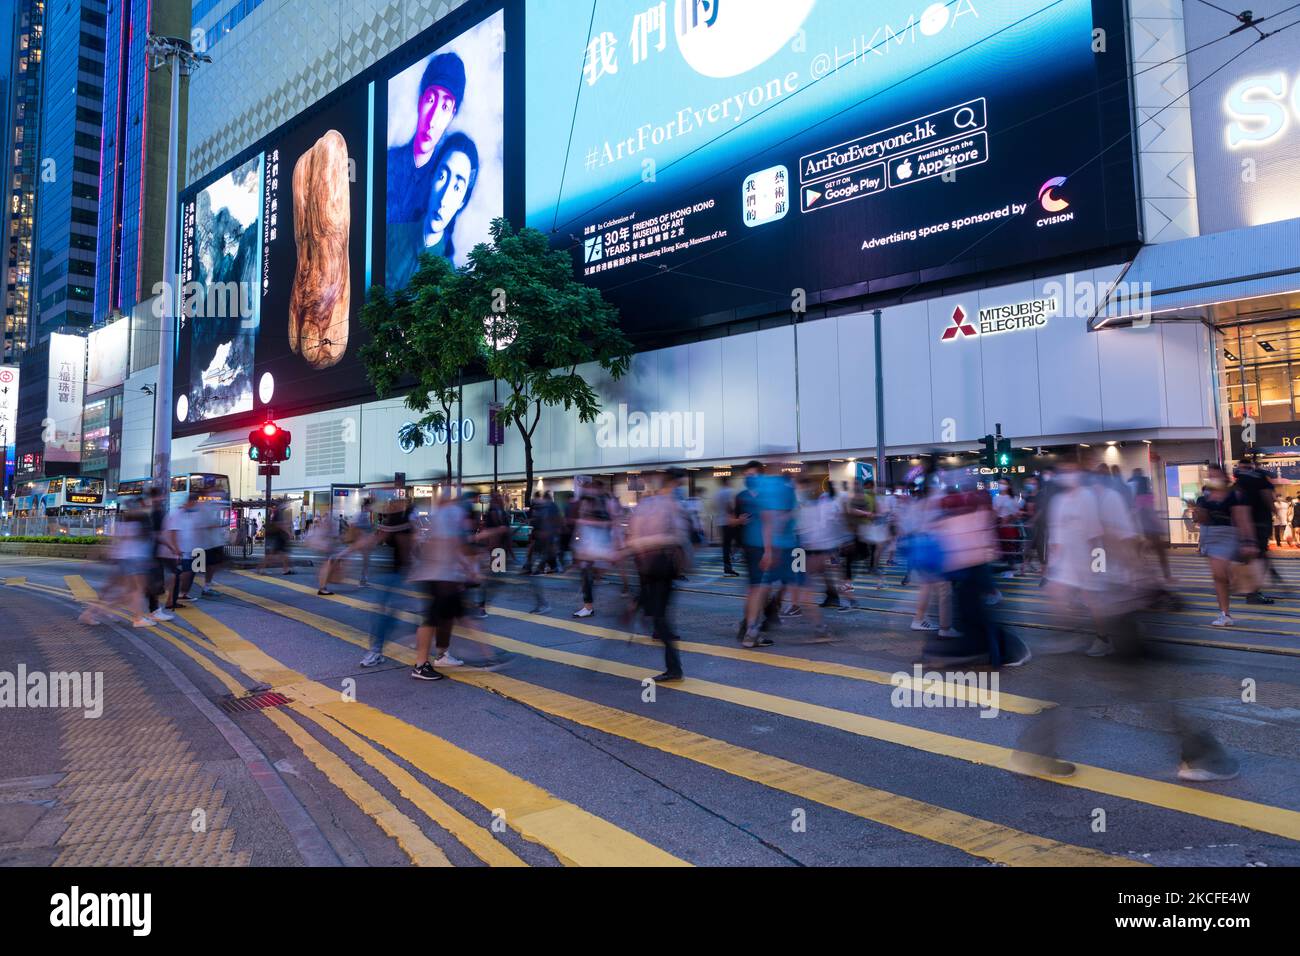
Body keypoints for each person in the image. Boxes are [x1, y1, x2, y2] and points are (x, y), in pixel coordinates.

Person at [385, 133, 480, 288]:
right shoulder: (390, 236)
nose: (444, 199)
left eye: (457, 187)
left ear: (462, 202)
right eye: (442, 177)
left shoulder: (450, 283)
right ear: (431, 178)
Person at [624, 469, 691, 682]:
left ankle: (674, 667)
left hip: (656, 565)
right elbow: (680, 536)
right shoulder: (667, 505)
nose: (679, 489)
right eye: (678, 484)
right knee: (660, 616)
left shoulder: (657, 505)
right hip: (659, 565)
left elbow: (635, 538)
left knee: (660, 616)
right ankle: (640, 609)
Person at [386, 52, 465, 226]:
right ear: (420, 102)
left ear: (452, 115)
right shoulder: (386, 163)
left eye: (445, 106)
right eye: (430, 100)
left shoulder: (441, 186)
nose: (433, 119)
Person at [409, 488, 473, 680]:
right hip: (438, 576)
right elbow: (450, 544)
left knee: (439, 618)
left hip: (438, 575)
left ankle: (440, 655)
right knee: (431, 620)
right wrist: (467, 569)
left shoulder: (439, 516)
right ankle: (421, 665)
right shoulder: (444, 516)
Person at [739, 462, 797, 648]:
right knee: (759, 590)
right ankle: (751, 630)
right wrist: (769, 551)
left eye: (753, 474)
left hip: (762, 546)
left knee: (759, 589)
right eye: (747, 475)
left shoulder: (764, 492)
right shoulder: (751, 495)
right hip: (758, 547)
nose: (749, 478)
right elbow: (768, 521)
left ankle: (751, 629)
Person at [1196, 465, 1256, 626]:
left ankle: (1231, 586)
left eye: (1216, 475)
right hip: (1209, 535)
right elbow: (1201, 520)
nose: (1213, 479)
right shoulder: (1204, 497)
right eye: (1210, 476)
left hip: (1229, 534)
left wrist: (1248, 541)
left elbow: (1243, 519)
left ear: (1224, 477)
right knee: (1218, 576)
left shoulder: (1235, 495)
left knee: (1224, 574)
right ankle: (1224, 613)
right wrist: (1196, 510)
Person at [361, 502, 415, 667]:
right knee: (384, 614)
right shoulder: (391, 522)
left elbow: (407, 550)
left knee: (385, 616)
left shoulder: (403, 524)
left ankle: (376, 651)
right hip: (390, 574)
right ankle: (376, 650)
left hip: (398, 575)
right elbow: (375, 540)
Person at [572, 480, 614, 618]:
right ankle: (588, 606)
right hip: (591, 542)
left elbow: (608, 522)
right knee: (586, 573)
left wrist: (584, 522)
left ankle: (588, 607)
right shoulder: (594, 501)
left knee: (586, 573)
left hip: (595, 543)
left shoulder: (601, 502)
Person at [713, 475, 740, 576]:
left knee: (726, 545)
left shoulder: (717, 493)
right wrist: (734, 517)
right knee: (738, 541)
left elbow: (714, 506)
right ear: (727, 481)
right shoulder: (728, 491)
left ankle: (727, 566)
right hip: (729, 522)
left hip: (720, 521)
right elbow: (729, 506)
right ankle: (731, 560)